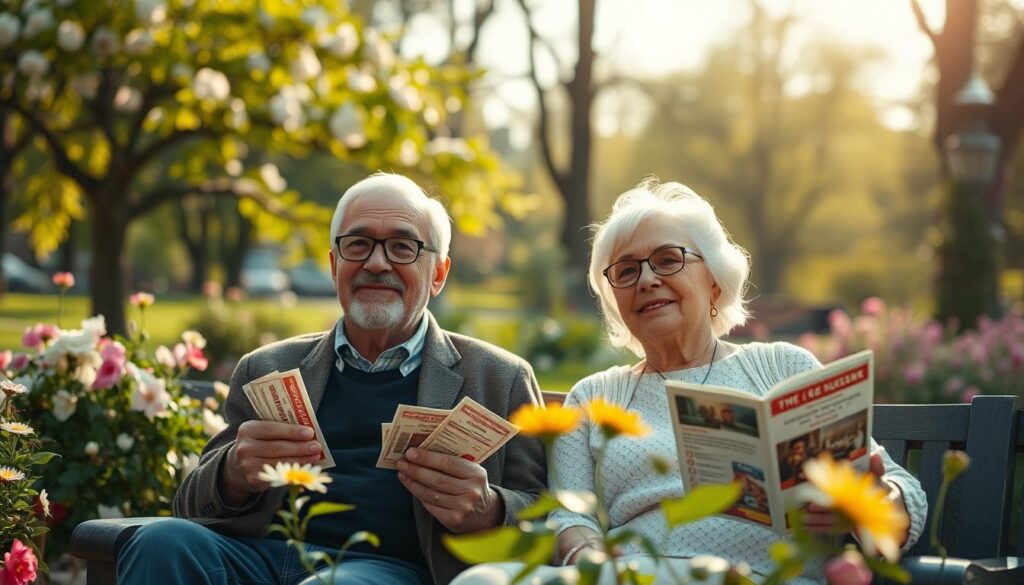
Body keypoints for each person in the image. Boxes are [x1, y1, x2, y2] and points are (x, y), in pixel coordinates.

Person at [456, 178, 927, 584]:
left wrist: (876, 500)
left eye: (667, 260)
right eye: (626, 270)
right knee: (481, 579)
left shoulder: (782, 368)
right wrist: (588, 557)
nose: (645, 280)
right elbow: (568, 515)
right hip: (629, 576)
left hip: (757, 576)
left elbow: (900, 489)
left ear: (715, 282)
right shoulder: (593, 396)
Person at [117, 173, 547, 585]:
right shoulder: (265, 368)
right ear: (334, 263)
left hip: (388, 571)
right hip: (260, 559)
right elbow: (189, 507)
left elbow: (544, 519)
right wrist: (232, 473)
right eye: (358, 244)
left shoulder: (498, 379)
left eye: (402, 246)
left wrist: (490, 510)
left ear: (438, 273)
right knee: (160, 542)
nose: (376, 263)